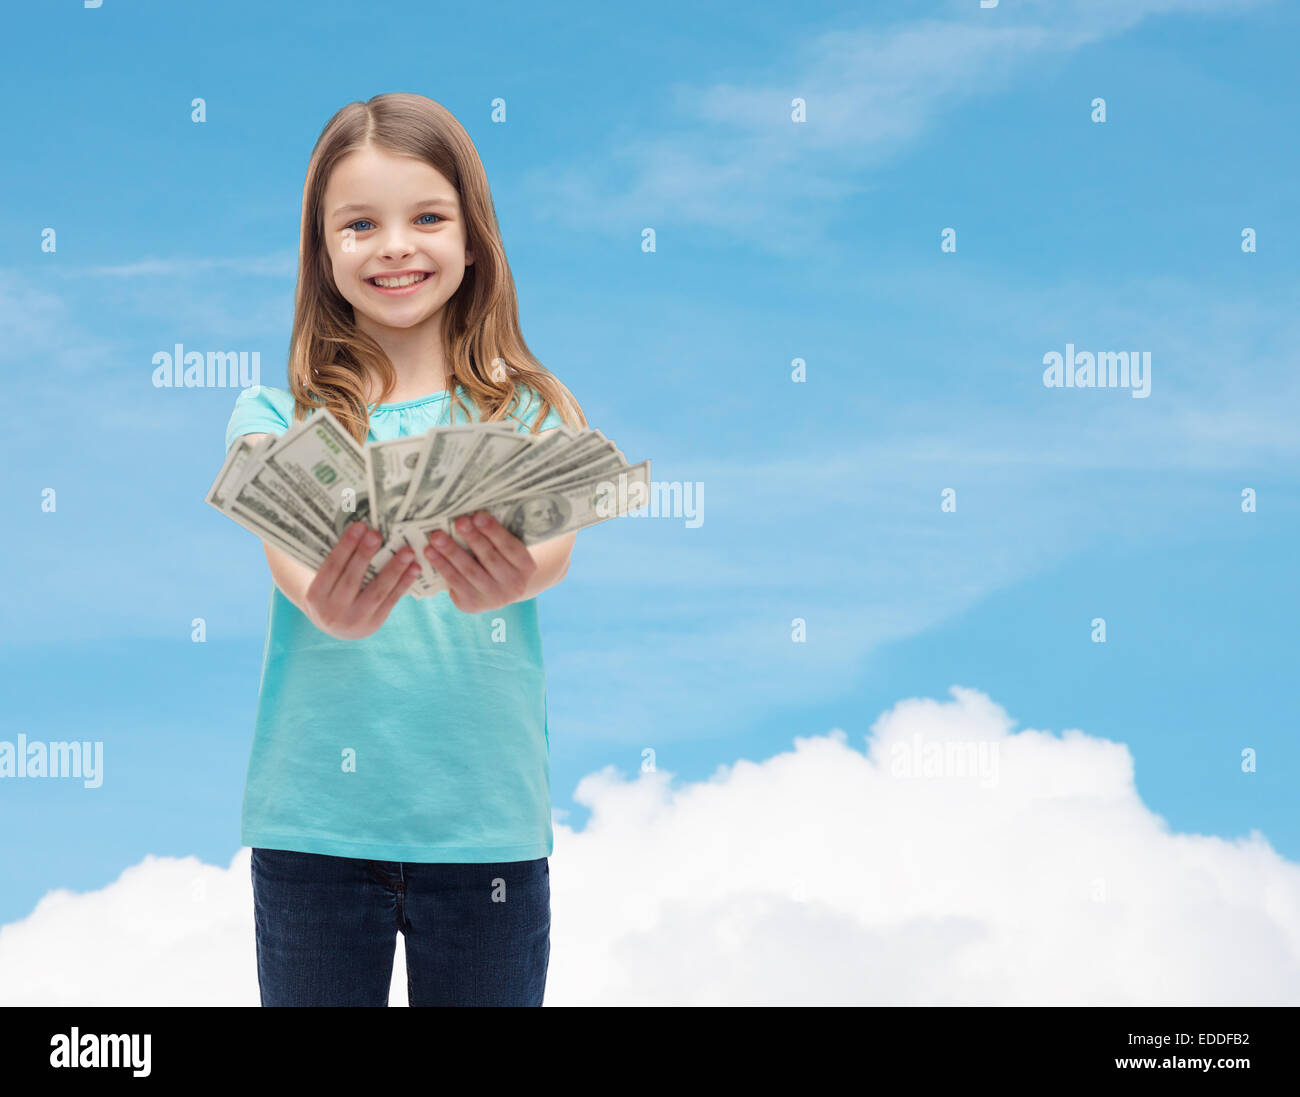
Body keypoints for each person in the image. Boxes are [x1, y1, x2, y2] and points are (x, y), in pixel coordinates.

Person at [224, 92, 586, 1007]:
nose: (395, 245)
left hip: (486, 835)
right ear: (323, 251)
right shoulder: (276, 418)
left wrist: (513, 572)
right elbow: (287, 559)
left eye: (427, 217)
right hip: (315, 830)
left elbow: (555, 548)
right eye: (360, 224)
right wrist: (325, 600)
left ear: (474, 242)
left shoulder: (528, 413)